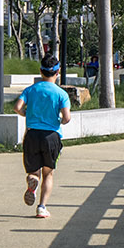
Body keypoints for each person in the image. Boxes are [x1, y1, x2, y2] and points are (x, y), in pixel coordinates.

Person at [14, 54, 72, 219]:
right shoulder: (61, 94)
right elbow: (67, 118)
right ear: (58, 72)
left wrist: (26, 114)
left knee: (34, 171)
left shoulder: (31, 90)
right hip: (51, 136)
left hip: (32, 134)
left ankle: (33, 181)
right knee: (48, 173)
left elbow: (17, 107)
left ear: (41, 71)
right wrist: (59, 120)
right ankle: (41, 207)